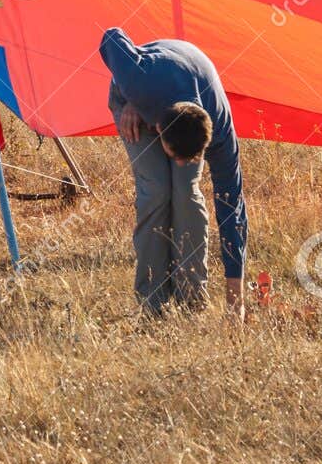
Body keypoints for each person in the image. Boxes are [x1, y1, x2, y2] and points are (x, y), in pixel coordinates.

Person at [98, 29, 248, 317]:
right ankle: (152, 304)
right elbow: (111, 37)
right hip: (141, 89)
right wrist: (132, 97)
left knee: (186, 193)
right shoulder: (138, 81)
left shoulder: (221, 133)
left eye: (189, 157)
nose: (180, 162)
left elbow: (232, 209)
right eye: (174, 154)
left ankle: (191, 301)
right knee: (156, 189)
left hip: (181, 82)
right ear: (158, 129)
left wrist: (235, 301)